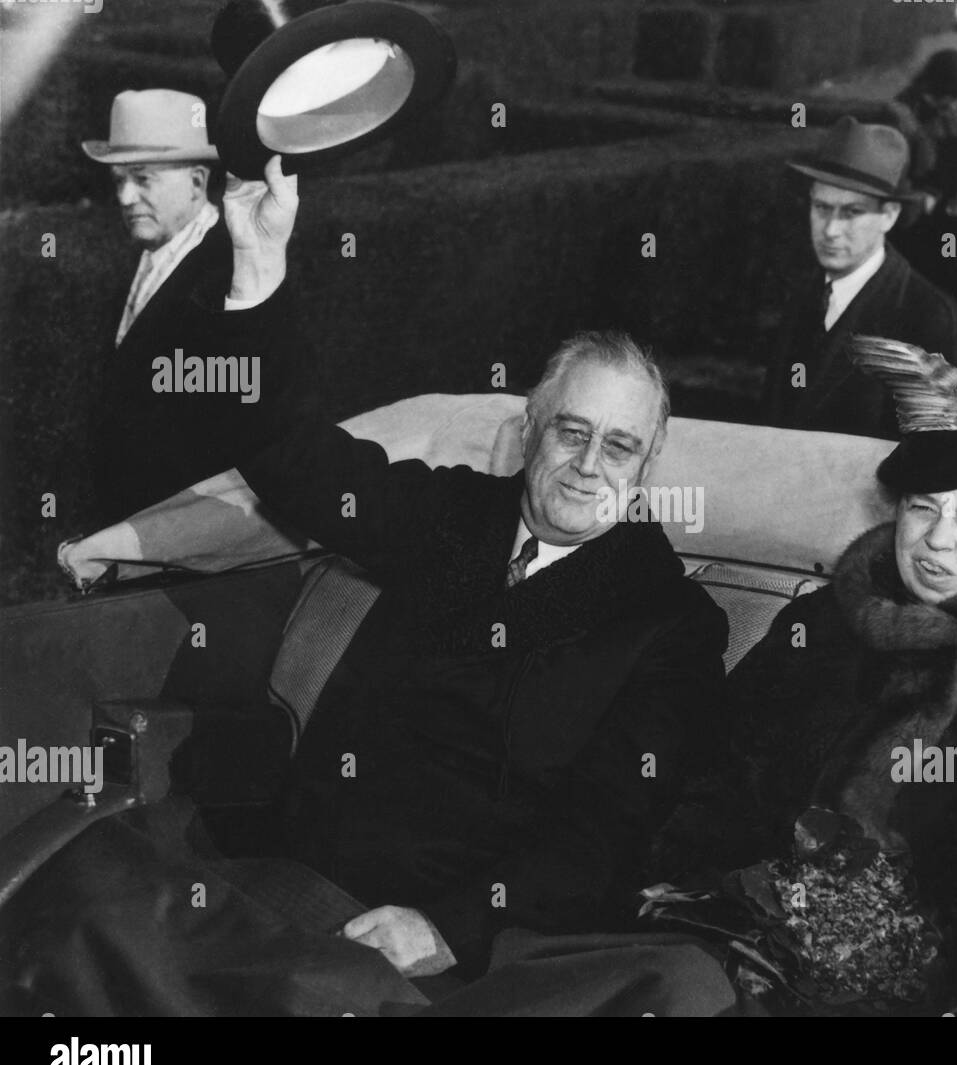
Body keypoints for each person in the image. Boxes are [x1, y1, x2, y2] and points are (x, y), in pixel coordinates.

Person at [3, 159, 731, 1016]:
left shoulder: (672, 622)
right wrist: (262, 268)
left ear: (648, 467)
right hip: (289, 875)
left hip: (449, 946)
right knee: (74, 881)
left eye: (618, 446)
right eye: (570, 432)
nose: (586, 466)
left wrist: (446, 926)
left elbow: (602, 837)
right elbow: (296, 461)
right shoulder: (452, 514)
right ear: (529, 431)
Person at [656, 343, 957, 1007]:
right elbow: (716, 765)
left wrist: (910, 942)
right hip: (737, 932)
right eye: (922, 508)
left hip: (933, 978)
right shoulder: (823, 620)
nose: (938, 540)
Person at [73, 89, 301, 531]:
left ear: (197, 182)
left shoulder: (232, 274)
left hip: (192, 536)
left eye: (143, 179)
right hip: (131, 526)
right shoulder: (149, 255)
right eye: (118, 180)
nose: (124, 198)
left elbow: (242, 417)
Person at [761, 117, 957, 439]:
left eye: (852, 213)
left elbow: (945, 463)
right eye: (822, 208)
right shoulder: (804, 297)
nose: (831, 230)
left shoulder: (932, 320)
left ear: (889, 216)